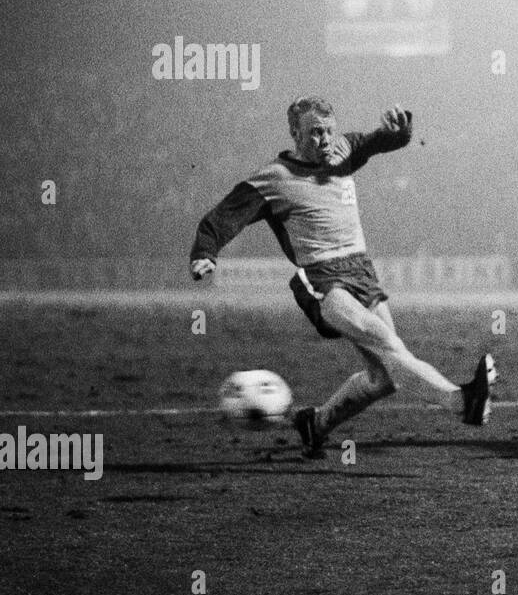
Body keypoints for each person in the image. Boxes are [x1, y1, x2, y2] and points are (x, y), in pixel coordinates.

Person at [188, 96, 495, 459]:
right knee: (388, 344)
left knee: (383, 378)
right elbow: (224, 215)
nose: (325, 140)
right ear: (294, 133)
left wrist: (399, 131)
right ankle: (462, 402)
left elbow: (381, 141)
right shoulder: (272, 179)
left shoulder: (343, 150)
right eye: (315, 132)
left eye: (329, 130)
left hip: (363, 271)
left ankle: (315, 425)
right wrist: (205, 253)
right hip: (324, 281)